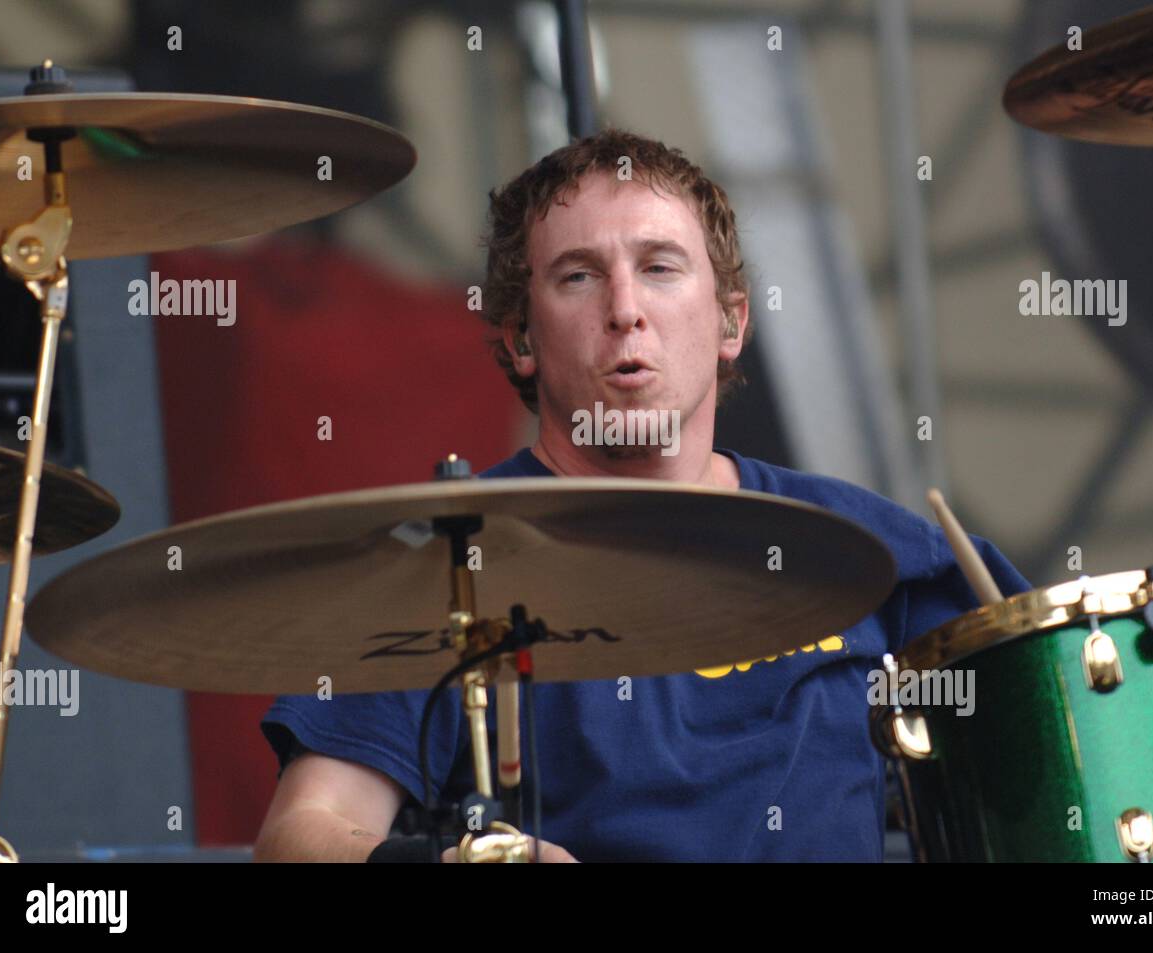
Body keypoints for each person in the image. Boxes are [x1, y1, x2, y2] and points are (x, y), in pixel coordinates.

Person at [253, 128, 1030, 863]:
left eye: (660, 267)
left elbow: (1060, 751)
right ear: (522, 339)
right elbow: (300, 832)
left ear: (730, 322)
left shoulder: (867, 547)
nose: (625, 309)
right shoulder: (443, 561)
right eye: (579, 276)